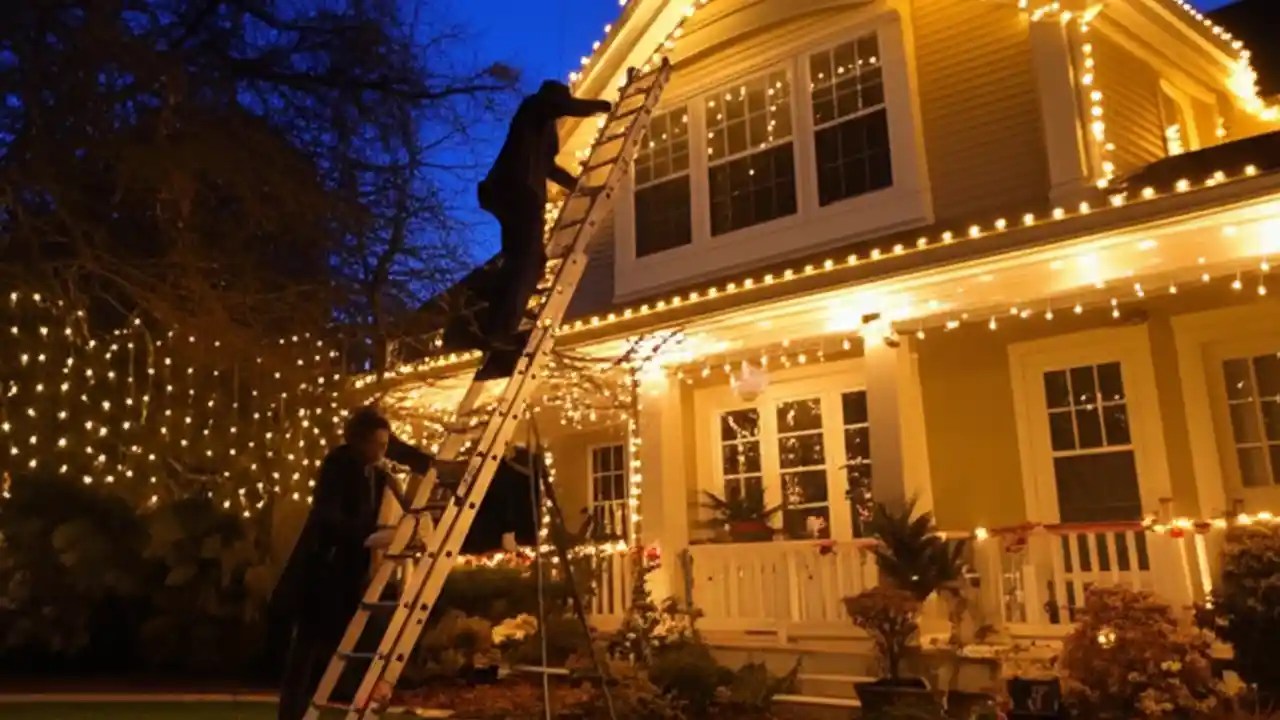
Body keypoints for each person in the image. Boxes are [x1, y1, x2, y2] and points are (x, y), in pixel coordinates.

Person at [272, 406, 404, 720]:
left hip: (347, 573)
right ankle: (293, 713)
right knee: (307, 651)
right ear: (360, 442)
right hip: (323, 574)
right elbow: (328, 517)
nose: (383, 451)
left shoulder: (375, 472)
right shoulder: (339, 467)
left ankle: (346, 699)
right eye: (378, 444)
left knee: (336, 647)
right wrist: (367, 535)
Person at [476, 80, 612, 350]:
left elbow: (548, 166)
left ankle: (500, 318)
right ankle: (497, 326)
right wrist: (602, 106)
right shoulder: (533, 107)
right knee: (525, 258)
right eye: (561, 105)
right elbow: (558, 106)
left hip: (517, 193)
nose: (562, 111)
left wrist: (576, 184)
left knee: (531, 260)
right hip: (516, 191)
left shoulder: (547, 130)